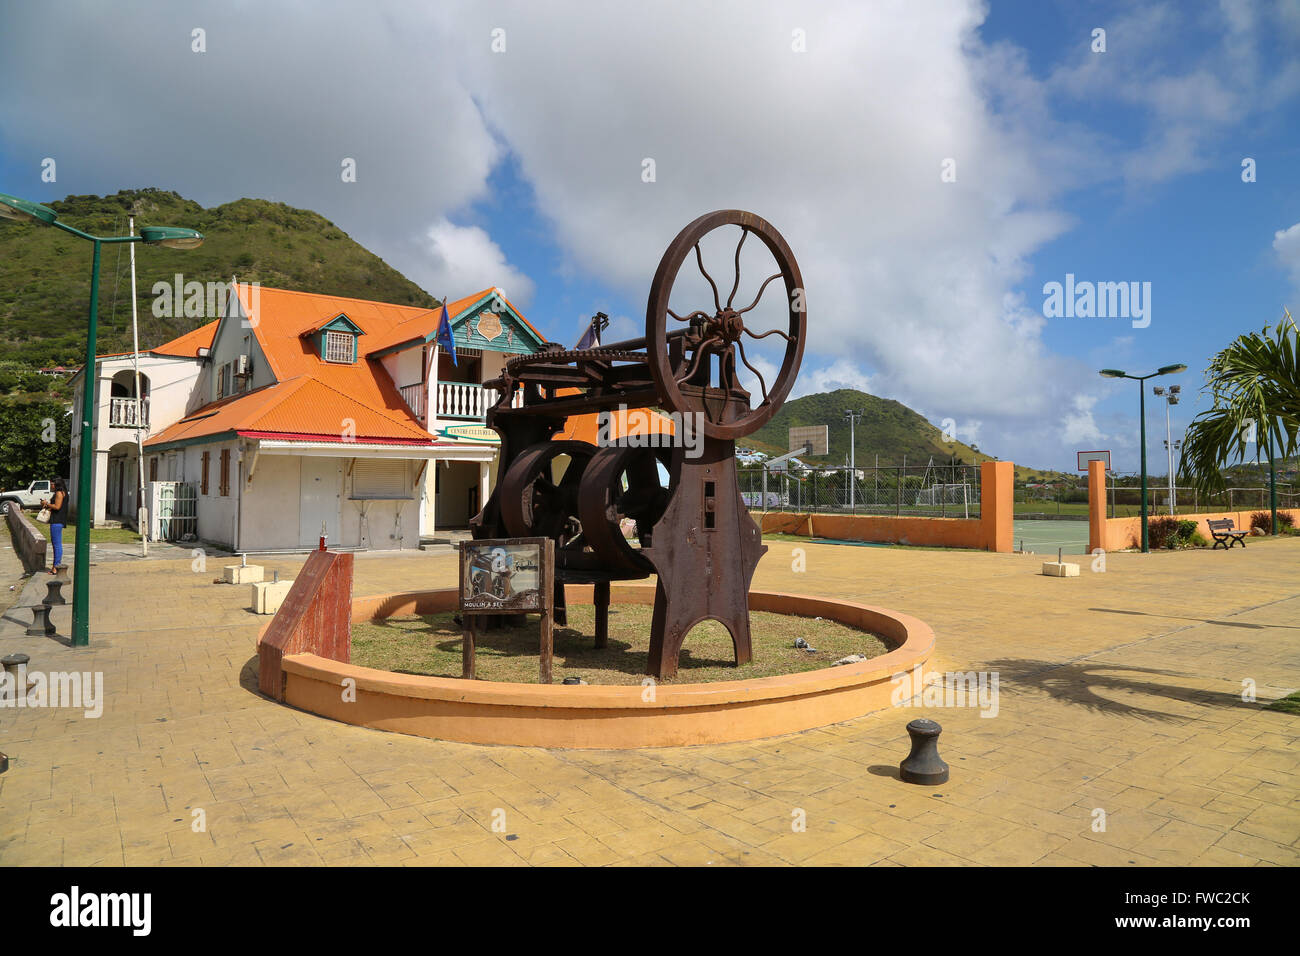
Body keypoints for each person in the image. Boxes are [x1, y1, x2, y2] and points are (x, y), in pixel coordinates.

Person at [41, 478, 69, 572]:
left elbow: (57, 507)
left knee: (56, 544)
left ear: (56, 484)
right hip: (59, 520)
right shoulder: (63, 492)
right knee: (56, 544)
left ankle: (56, 567)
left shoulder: (59, 493)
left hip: (57, 521)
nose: (51, 486)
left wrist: (47, 504)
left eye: (52, 484)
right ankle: (56, 565)